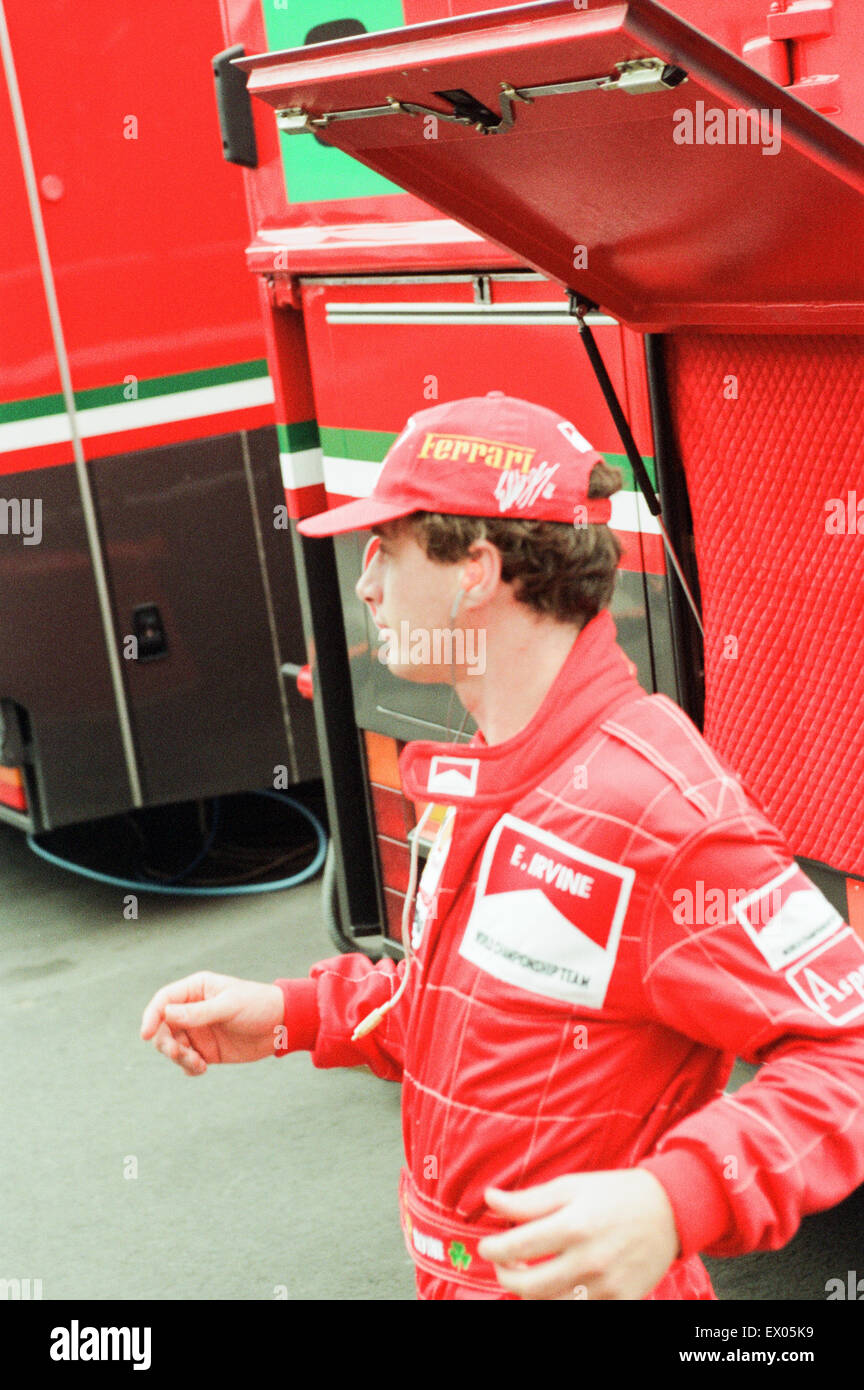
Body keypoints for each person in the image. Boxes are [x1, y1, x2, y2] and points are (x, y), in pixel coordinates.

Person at [141, 392, 864, 1301]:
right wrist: (293, 1013)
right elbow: (468, 1013)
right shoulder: (485, 774)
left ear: (475, 570)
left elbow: (850, 1052)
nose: (364, 586)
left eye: (388, 550)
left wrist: (669, 1201)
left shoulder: (658, 807)